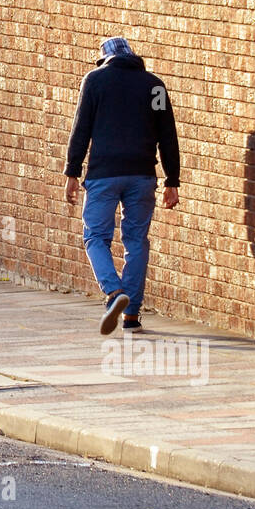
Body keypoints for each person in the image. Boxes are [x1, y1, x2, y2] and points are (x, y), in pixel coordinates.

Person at [64, 37, 180, 335]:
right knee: (136, 241)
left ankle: (114, 291)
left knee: (95, 237)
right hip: (142, 175)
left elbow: (81, 129)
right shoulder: (154, 85)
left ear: (104, 59)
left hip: (104, 174)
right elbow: (167, 135)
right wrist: (172, 180)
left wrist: (72, 172)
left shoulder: (95, 81)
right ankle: (131, 316)